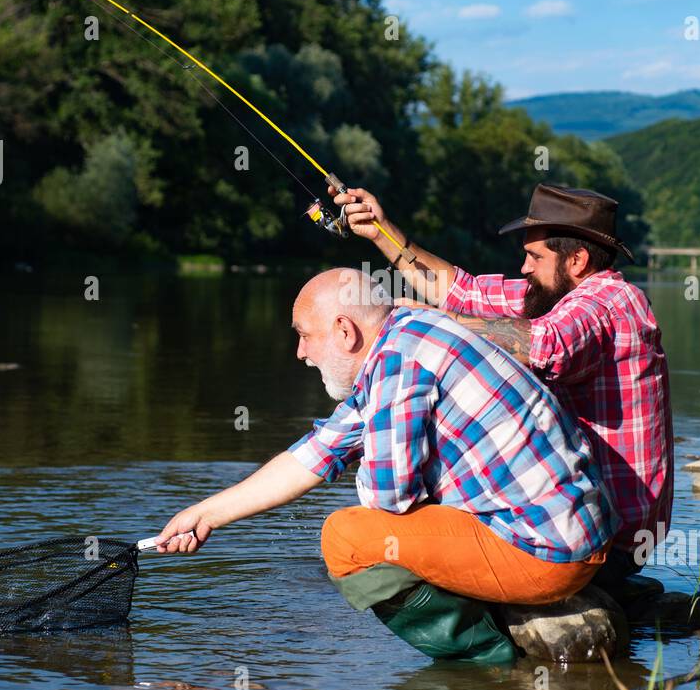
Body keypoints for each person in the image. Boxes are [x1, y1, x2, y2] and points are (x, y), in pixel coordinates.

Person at [154, 267, 616, 664]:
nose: (300, 353)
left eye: (303, 335)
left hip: (548, 551)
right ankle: (498, 623)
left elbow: (386, 498)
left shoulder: (399, 363)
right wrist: (207, 513)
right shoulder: (406, 334)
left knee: (348, 539)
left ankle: (484, 657)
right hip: (568, 531)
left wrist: (368, 452)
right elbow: (312, 454)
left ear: (343, 331)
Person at [330, 181, 672, 587]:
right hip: (578, 520)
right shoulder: (556, 294)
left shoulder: (611, 302)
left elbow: (546, 344)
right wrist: (382, 231)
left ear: (577, 260)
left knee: (369, 535)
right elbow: (462, 291)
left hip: (608, 539)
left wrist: (430, 326)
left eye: (534, 255)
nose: (525, 266)